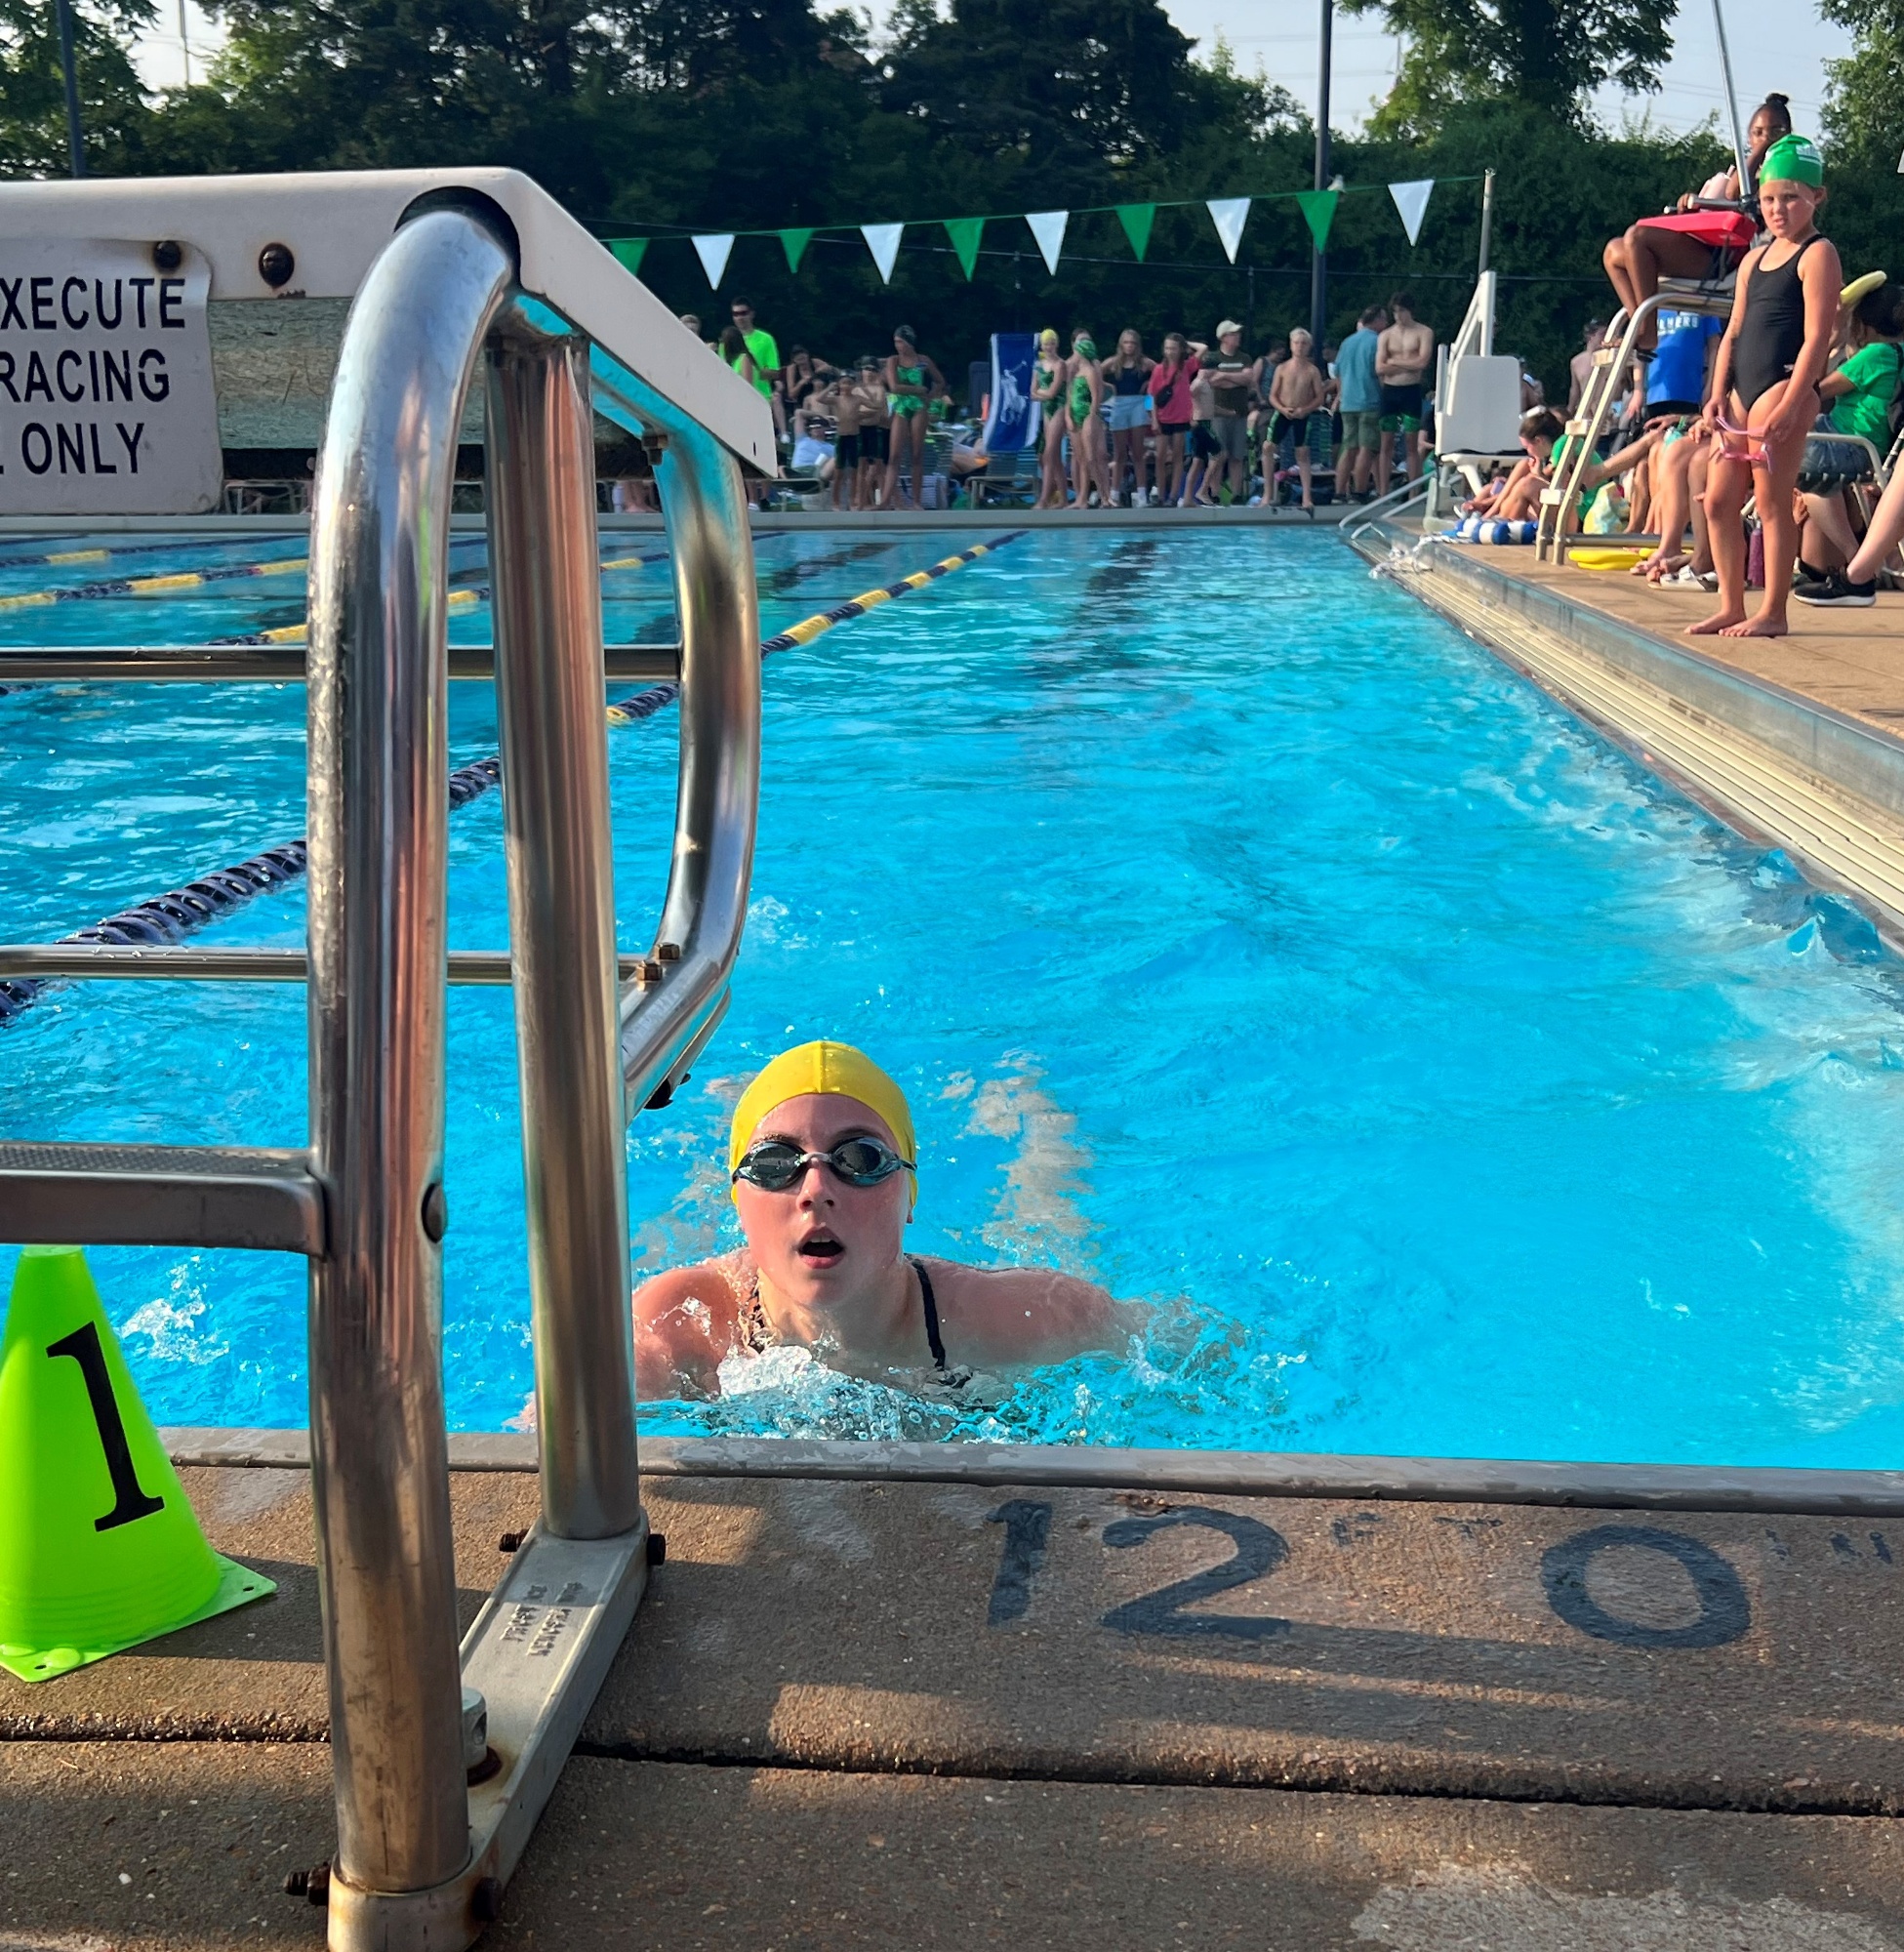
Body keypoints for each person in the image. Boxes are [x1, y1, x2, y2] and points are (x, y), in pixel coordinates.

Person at [630, 1042, 1129, 1399]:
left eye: (861, 1160)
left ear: (908, 1196)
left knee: (1048, 1215)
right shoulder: (674, 1323)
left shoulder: (1027, 1317)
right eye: (774, 1164)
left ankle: (1038, 1123)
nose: (817, 1191)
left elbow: (1193, 1358)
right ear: (738, 1199)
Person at [1688, 136, 1843, 638]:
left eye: (1792, 197)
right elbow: (1733, 331)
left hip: (1781, 387)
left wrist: (1796, 399)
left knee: (1773, 503)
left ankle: (1773, 611)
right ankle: (1732, 603)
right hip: (1739, 394)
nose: (1779, 209)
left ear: (1817, 197)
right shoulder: (1754, 259)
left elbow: (1819, 335)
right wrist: (1715, 393)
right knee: (1716, 501)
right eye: (1770, 198)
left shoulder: (1818, 254)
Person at [1602, 97, 1794, 351]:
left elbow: (1735, 193)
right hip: (1703, 244)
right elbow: (1723, 196)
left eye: (1773, 132)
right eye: (1757, 133)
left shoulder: (1779, 174)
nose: (1764, 137)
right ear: (1747, 137)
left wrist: (1761, 151)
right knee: (1614, 251)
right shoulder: (1731, 173)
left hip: (1725, 258)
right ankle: (1640, 321)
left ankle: (1648, 330)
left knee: (1637, 236)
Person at [1794, 279, 1904, 596]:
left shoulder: (1876, 355)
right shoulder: (1898, 354)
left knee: (1805, 476)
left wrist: (1829, 341)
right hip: (1870, 446)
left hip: (1846, 441)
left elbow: (1814, 390)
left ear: (1865, 326)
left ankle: (1854, 558)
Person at [1265, 327, 1330, 512]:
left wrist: (1305, 409)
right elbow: (1273, 395)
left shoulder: (1312, 371)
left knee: (1302, 453)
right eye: (1296, 343)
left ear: (1309, 346)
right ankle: (1268, 493)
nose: (1300, 347)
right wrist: (1282, 408)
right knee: (1268, 447)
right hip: (1284, 412)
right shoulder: (1282, 368)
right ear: (1291, 345)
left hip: (1303, 413)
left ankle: (1306, 497)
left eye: (1303, 344)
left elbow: (1319, 397)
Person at [883, 325, 947, 509]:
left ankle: (917, 502)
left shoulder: (922, 360)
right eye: (896, 342)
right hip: (902, 407)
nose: (897, 346)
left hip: (919, 407)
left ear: (909, 342)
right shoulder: (893, 361)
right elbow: (893, 387)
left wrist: (930, 397)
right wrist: (920, 390)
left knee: (917, 455)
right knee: (894, 455)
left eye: (900, 342)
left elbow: (940, 381)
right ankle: (886, 500)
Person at [1376, 294, 1435, 486]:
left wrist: (1394, 361)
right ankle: (1383, 491)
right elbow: (1380, 367)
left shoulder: (1423, 332)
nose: (1398, 316)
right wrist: (1408, 364)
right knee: (1386, 444)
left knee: (1411, 444)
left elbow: (1422, 362)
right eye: (1395, 312)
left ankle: (1412, 491)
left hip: (1410, 390)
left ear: (1410, 311)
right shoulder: (1386, 335)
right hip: (1390, 392)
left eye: (1402, 311)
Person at [1101, 328, 1156, 506]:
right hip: (1119, 403)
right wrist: (1109, 386)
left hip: (1138, 403)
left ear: (1137, 345)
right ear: (1121, 344)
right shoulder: (1113, 363)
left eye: (1132, 343)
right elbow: (1093, 373)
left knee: (1138, 452)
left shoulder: (1145, 363)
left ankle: (1141, 496)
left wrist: (1149, 386)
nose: (1129, 346)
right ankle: (1114, 494)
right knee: (1119, 454)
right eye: (1126, 342)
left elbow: (1161, 374)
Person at [1335, 305, 1385, 500]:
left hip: (1348, 402)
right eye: (1384, 319)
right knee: (1367, 448)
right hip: (1369, 401)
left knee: (1349, 447)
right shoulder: (1377, 342)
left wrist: (1341, 394)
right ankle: (1360, 490)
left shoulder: (1347, 342)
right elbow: (1379, 372)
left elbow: (1337, 371)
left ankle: (1339, 492)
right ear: (1377, 320)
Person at [1205, 320, 1257, 505]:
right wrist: (1237, 379)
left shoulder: (1245, 358)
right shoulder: (1213, 358)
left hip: (1239, 413)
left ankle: (1236, 494)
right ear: (1224, 337)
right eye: (1234, 334)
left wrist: (1225, 376)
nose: (1238, 337)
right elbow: (1211, 381)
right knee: (1219, 455)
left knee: (1237, 455)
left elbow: (1248, 379)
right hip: (1218, 413)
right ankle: (1215, 492)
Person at [1149, 331, 1199, 508]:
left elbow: (1203, 349)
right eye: (1167, 348)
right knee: (1160, 457)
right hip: (1163, 417)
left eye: (1174, 348)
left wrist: (1186, 343)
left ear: (1180, 350)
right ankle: (1160, 495)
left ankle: (1173, 495)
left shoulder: (1186, 366)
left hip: (1180, 418)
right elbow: (1152, 396)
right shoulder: (1157, 369)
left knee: (1178, 457)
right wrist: (1154, 419)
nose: (1170, 351)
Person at [1066, 329, 1113, 508]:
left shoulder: (1094, 365)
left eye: (1088, 341)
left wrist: (1094, 416)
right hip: (1074, 413)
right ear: (1073, 344)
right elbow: (1068, 393)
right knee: (1078, 457)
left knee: (1097, 455)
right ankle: (1081, 498)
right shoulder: (1069, 366)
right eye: (1081, 341)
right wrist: (1068, 416)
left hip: (1090, 413)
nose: (1085, 344)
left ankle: (1105, 496)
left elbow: (1098, 392)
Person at [1031, 328, 1070, 508]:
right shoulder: (1039, 365)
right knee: (1053, 458)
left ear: (1057, 345)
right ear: (1042, 345)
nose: (1049, 347)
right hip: (1047, 410)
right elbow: (1031, 393)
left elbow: (1054, 392)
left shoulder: (1060, 365)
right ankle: (1063, 499)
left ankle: (1044, 499)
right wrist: (1044, 394)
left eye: (1052, 344)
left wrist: (1041, 393)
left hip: (1058, 409)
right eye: (1046, 344)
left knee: (1048, 455)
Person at [727, 299, 783, 418]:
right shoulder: (727, 340)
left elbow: (775, 372)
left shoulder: (765, 339)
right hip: (733, 398)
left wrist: (752, 371)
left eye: (743, 313)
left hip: (760, 397)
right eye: (735, 314)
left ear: (752, 314)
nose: (740, 317)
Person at [856, 356, 892, 509]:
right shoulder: (856, 389)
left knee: (877, 468)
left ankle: (876, 501)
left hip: (877, 430)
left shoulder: (880, 390)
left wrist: (863, 412)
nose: (869, 373)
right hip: (861, 431)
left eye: (872, 370)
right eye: (866, 369)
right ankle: (862, 501)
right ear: (861, 371)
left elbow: (881, 413)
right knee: (862, 468)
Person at [1567, 321, 1605, 417]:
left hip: (1608, 408)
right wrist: (1568, 413)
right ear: (1590, 336)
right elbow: (1575, 391)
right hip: (1586, 411)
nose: (1606, 338)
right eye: (1603, 334)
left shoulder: (1611, 358)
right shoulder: (1576, 362)